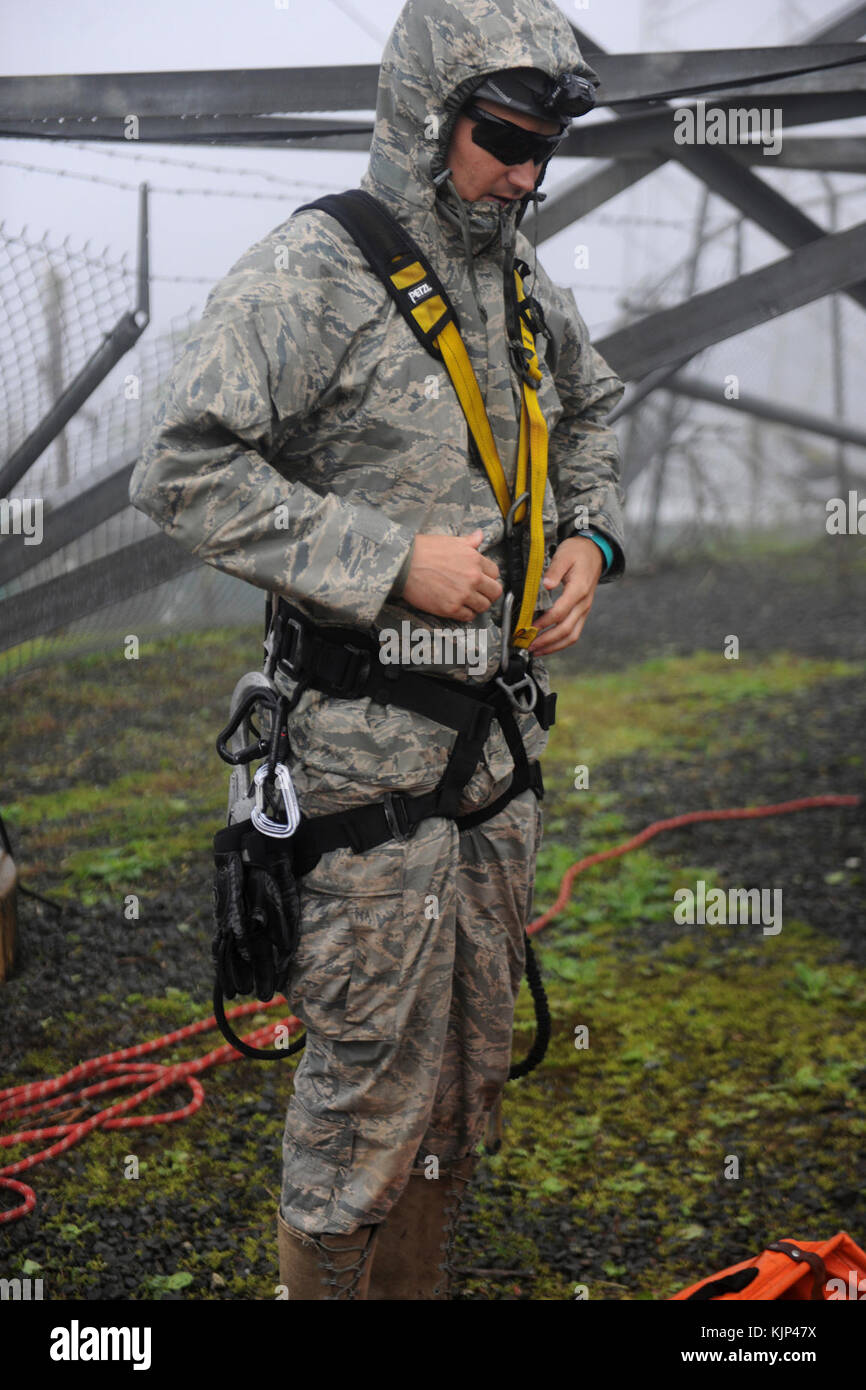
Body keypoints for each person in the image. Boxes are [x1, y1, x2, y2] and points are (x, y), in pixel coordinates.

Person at [130, 0, 626, 1301]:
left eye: (542, 148)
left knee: (459, 1103)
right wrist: (386, 558)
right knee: (360, 1121)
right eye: (501, 138)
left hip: (494, 770)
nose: (521, 173)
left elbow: (594, 409)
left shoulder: (516, 280)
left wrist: (589, 544)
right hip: (360, 775)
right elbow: (178, 470)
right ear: (426, 118)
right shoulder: (313, 272)